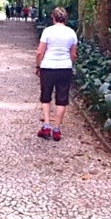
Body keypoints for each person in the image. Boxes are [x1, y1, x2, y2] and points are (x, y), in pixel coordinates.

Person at [36, 7, 78, 141]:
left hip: (48, 67)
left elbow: (40, 52)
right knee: (62, 99)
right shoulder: (72, 33)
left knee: (46, 97)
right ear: (66, 19)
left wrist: (38, 65)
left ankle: (46, 125)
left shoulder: (48, 31)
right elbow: (73, 54)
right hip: (65, 68)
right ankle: (57, 129)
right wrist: (69, 64)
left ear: (53, 18)